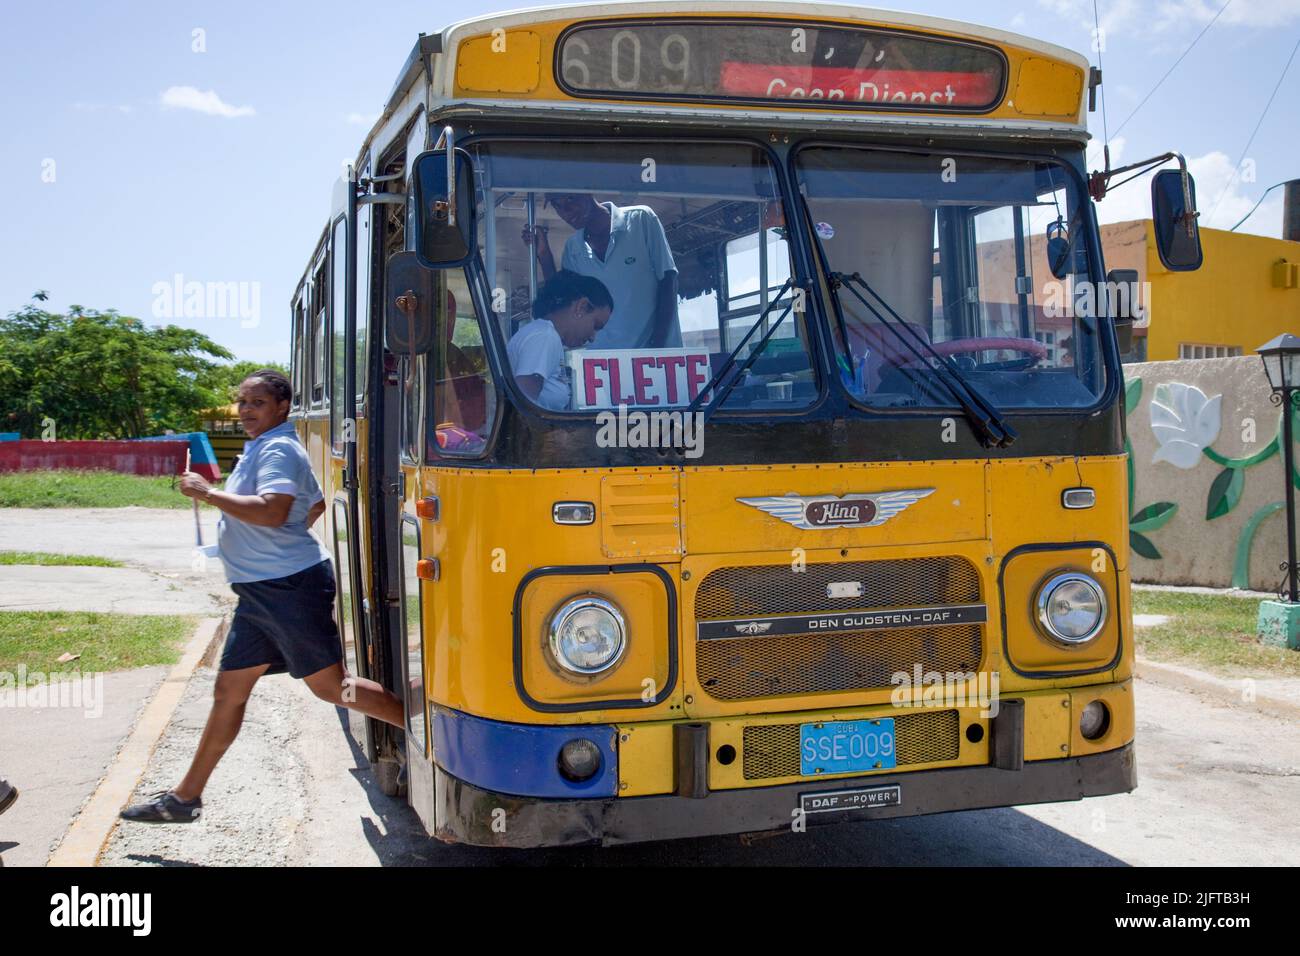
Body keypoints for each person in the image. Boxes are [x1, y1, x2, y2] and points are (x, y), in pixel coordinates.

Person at [119, 369, 404, 824]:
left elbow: (273, 510)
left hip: (288, 590)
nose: (245, 410)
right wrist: (276, 539)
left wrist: (208, 493)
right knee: (229, 690)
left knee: (333, 687)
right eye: (242, 402)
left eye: (257, 403)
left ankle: (428, 734)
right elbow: (310, 504)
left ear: (282, 407)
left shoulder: (277, 448)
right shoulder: (262, 447)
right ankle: (184, 799)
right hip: (260, 593)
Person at [522, 193, 679, 349]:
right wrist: (544, 254)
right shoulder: (573, 248)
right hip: (606, 365)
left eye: (571, 198)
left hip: (658, 360)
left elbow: (668, 279)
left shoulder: (641, 219)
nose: (566, 210)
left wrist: (656, 348)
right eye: (557, 205)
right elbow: (560, 301)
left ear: (588, 191)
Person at [507, 271, 613, 410]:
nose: (593, 337)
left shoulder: (544, 334)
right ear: (581, 307)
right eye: (596, 326)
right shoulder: (545, 337)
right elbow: (524, 407)